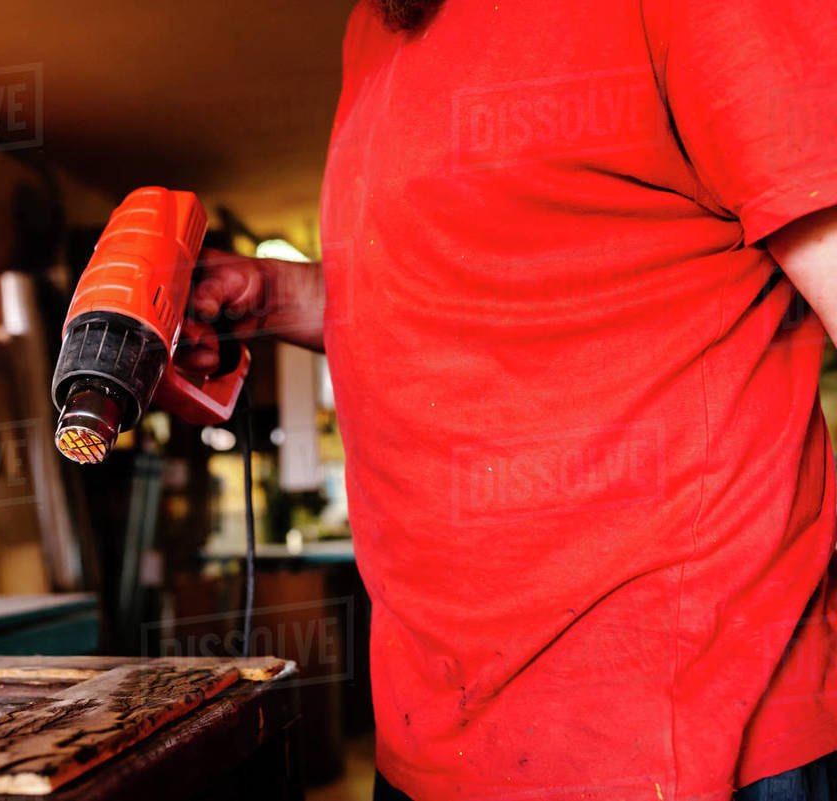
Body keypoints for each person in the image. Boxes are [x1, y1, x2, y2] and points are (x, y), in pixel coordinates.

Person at [178, 0, 837, 799]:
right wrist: (278, 297)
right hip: (429, 743)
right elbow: (446, 292)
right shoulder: (377, 26)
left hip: (681, 744)